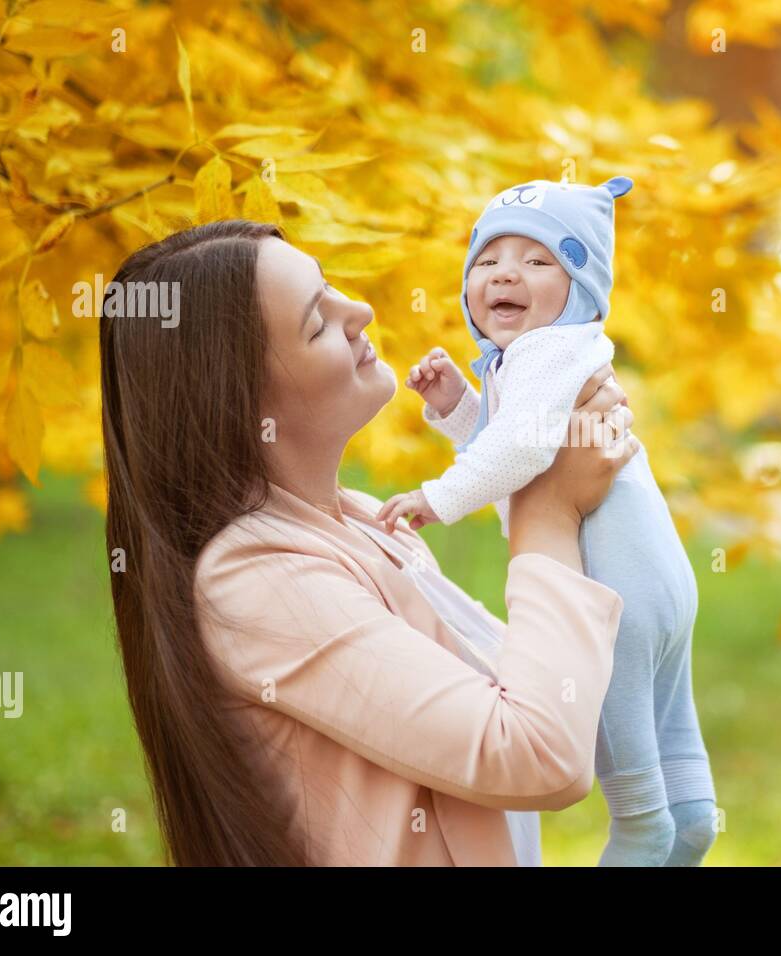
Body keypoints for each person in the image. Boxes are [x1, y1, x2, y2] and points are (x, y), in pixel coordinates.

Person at [98, 218, 637, 865]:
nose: (360, 311)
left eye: (330, 289)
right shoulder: (257, 580)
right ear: (237, 398)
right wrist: (548, 516)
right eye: (316, 322)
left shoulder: (359, 521)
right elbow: (533, 754)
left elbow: (530, 688)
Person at [376, 178, 718, 866]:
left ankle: (648, 836)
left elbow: (525, 450)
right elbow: (522, 449)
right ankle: (689, 823)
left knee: (640, 823)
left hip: (613, 601)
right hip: (660, 582)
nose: (506, 271)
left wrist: (437, 497)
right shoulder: (535, 361)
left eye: (538, 261)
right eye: (488, 258)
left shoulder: (549, 349)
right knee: (687, 809)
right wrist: (456, 408)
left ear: (583, 290)